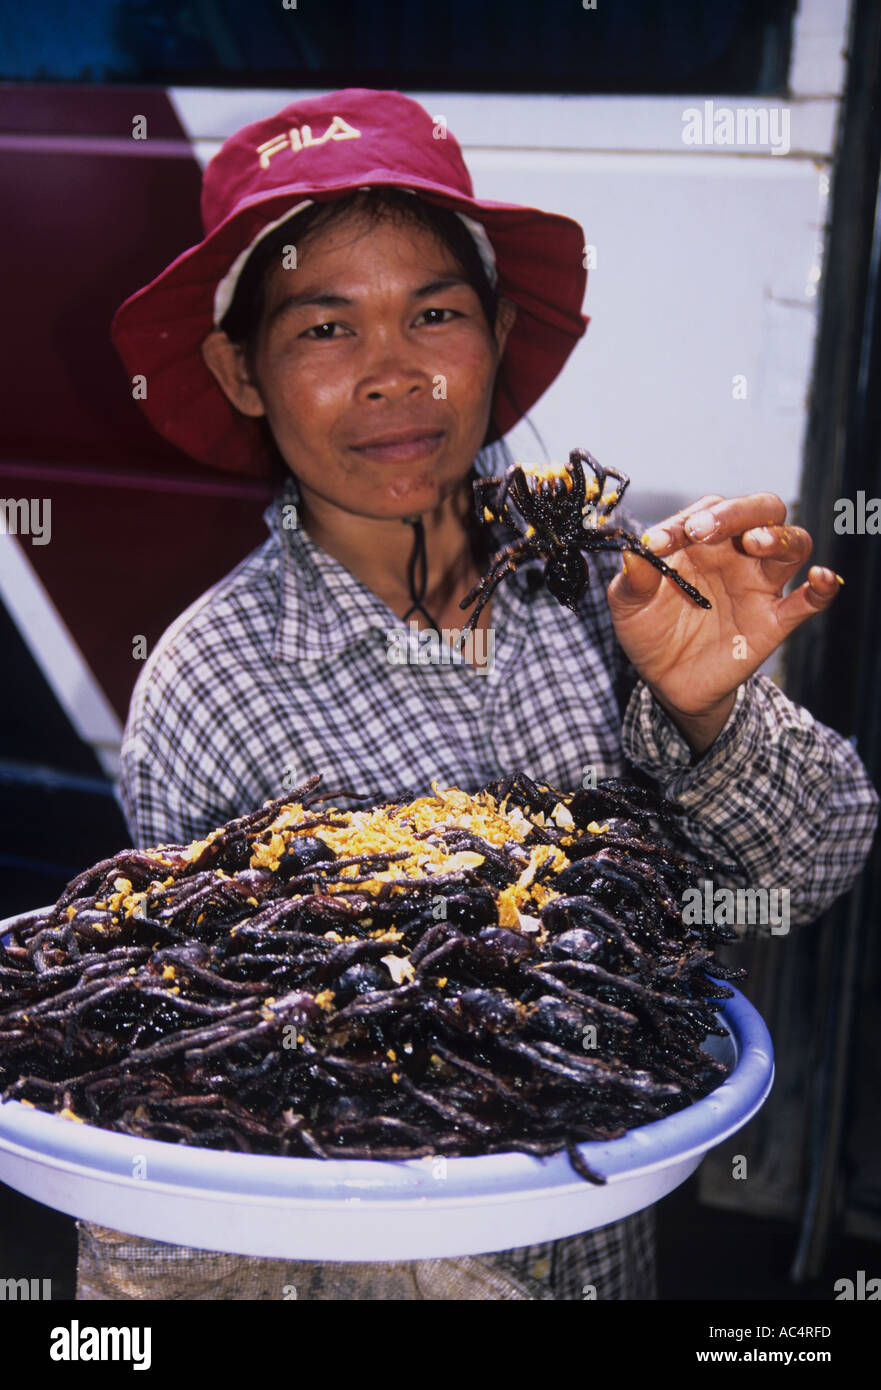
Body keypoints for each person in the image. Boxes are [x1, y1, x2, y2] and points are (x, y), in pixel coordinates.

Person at [76, 88, 878, 1301]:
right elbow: (215, 1057)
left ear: (497, 333)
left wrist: (706, 712)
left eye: (435, 313)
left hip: (608, 1249)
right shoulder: (213, 684)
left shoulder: (623, 585)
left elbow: (808, 876)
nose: (394, 374)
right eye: (324, 329)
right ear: (241, 372)